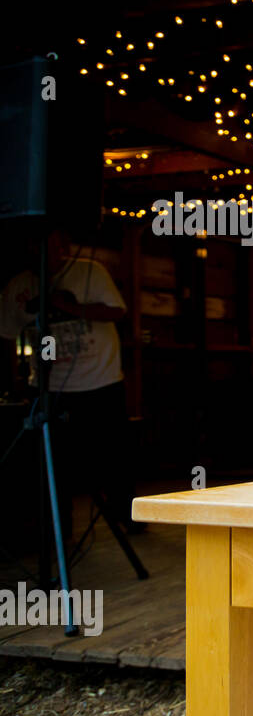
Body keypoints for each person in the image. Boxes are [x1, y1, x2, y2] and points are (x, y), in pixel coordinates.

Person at [0, 224, 139, 547]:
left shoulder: (89, 272)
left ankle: (126, 514)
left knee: (112, 453)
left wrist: (69, 306)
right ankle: (56, 531)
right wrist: (16, 381)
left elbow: (117, 310)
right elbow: (6, 335)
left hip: (99, 378)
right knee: (51, 463)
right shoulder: (20, 285)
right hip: (51, 384)